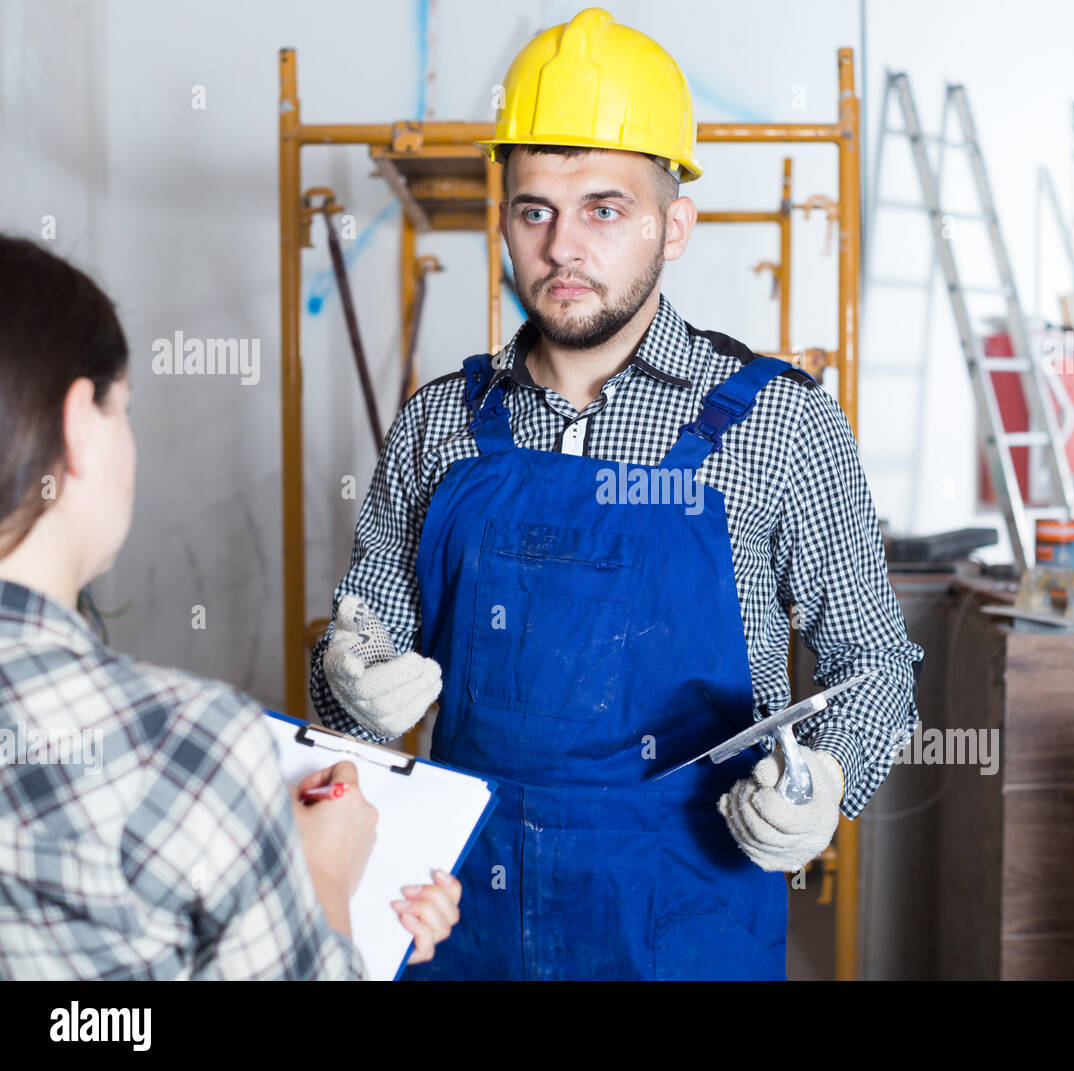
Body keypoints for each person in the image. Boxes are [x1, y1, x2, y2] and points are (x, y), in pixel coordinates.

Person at [310, 7, 923, 980]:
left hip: (685, 907)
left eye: (605, 209)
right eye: (534, 210)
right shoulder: (438, 423)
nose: (562, 248)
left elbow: (878, 666)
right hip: (461, 903)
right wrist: (345, 682)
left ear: (673, 224)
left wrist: (832, 779)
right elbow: (354, 675)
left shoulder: (781, 424)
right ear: (503, 216)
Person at [0, 234, 460, 979]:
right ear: (81, 425)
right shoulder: (188, 745)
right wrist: (326, 881)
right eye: (125, 409)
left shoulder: (196, 768)